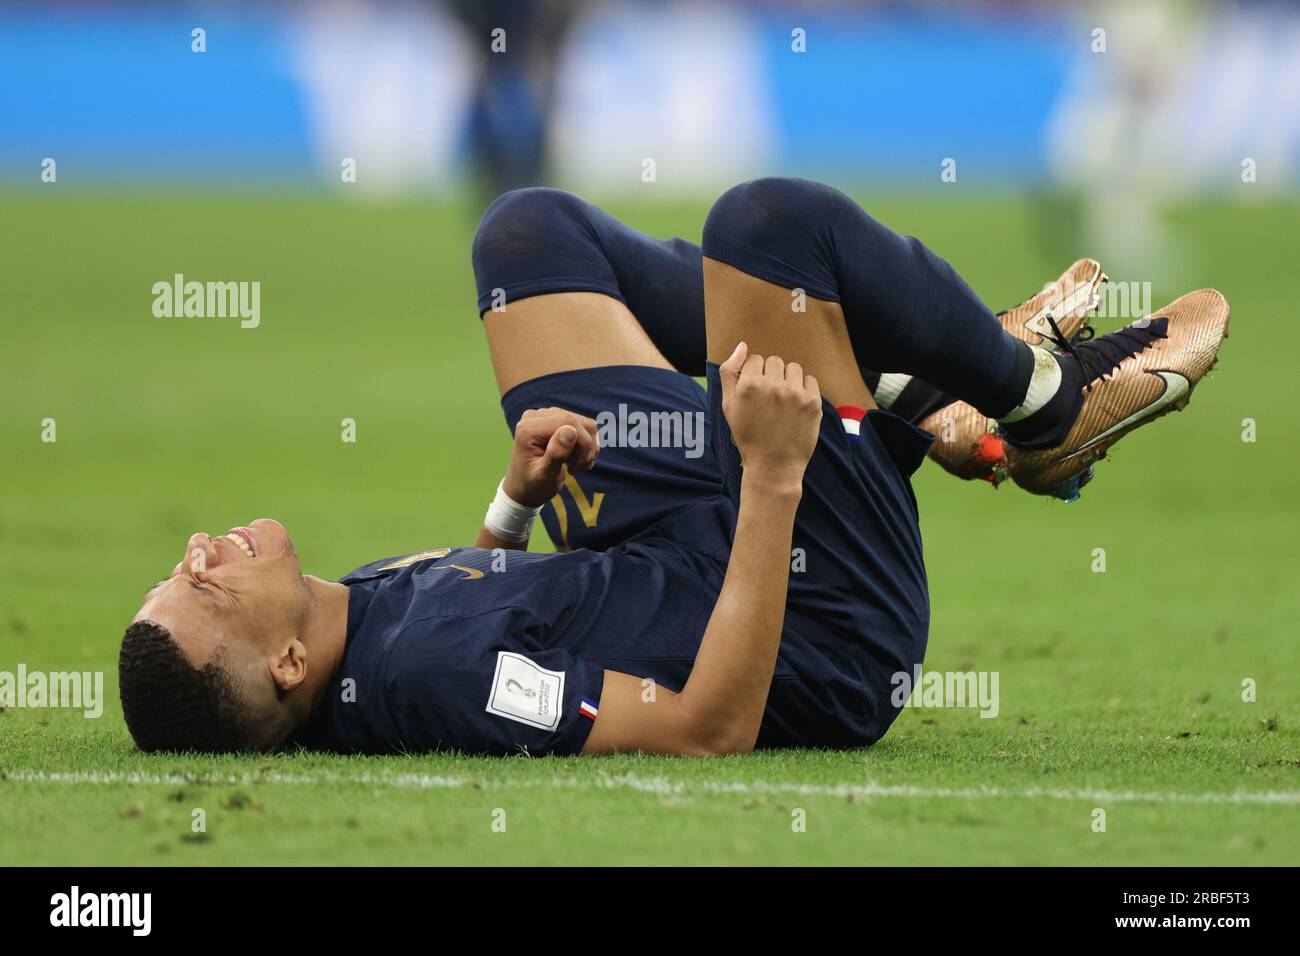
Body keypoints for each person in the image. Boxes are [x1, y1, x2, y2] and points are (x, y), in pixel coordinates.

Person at [118, 178, 1228, 756]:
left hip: (664, 532)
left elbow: (470, 593)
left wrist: (514, 501)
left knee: (526, 236)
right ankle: (1038, 404)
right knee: (769, 226)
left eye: (181, 563)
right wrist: (776, 469)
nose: (200, 548)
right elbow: (709, 725)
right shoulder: (438, 686)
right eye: (206, 583)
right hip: (812, 612)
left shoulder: (351, 625)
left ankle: (907, 384)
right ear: (287, 665)